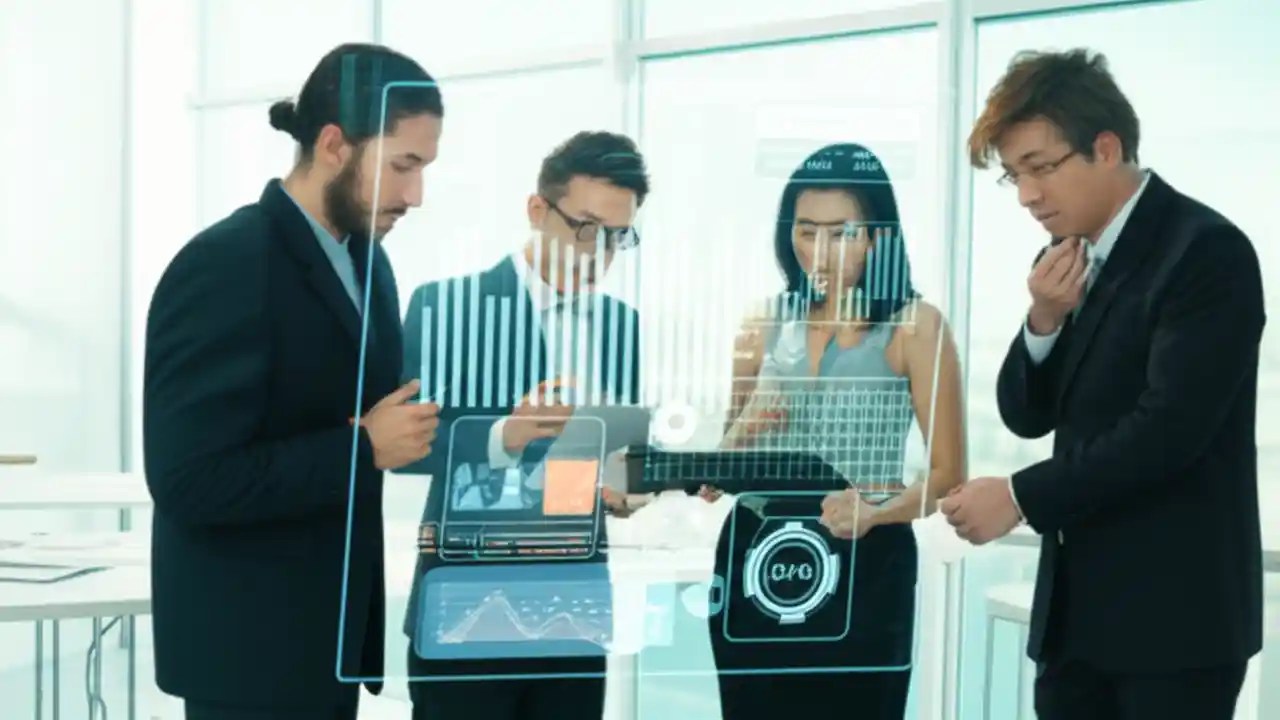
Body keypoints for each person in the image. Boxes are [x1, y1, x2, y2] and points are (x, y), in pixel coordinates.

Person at [941, 48, 1264, 719]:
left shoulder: (1206, 252)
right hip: (1076, 627)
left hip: (1175, 629)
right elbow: (1026, 416)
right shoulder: (1063, 259)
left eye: (1040, 168)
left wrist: (1020, 498)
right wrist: (1043, 320)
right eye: (1014, 177)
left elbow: (1168, 432)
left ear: (1106, 147)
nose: (1029, 195)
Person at [142, 43, 444, 720]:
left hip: (328, 646)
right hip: (248, 657)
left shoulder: (370, 262)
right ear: (334, 144)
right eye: (403, 165)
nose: (416, 195)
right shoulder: (225, 263)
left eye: (424, 168)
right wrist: (362, 448)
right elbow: (187, 479)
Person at [703, 143, 965, 720]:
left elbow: (948, 475)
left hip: (867, 556)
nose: (819, 252)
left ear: (876, 236)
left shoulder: (916, 326)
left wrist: (873, 512)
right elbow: (723, 470)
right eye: (805, 231)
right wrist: (747, 425)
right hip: (758, 555)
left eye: (842, 232)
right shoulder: (762, 322)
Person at [399, 130, 649, 720]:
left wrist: (628, 480)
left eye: (619, 236)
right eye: (585, 228)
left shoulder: (621, 325)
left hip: (573, 610)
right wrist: (500, 436)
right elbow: (404, 446)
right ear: (537, 211)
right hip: (465, 609)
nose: (600, 252)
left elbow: (615, 447)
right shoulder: (445, 307)